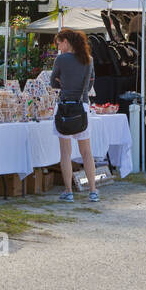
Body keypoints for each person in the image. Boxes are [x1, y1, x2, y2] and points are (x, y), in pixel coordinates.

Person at [51, 29, 98, 202]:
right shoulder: (89, 59)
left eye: (59, 43)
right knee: (86, 152)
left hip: (64, 106)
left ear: (66, 42)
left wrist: (63, 82)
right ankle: (92, 190)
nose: (59, 47)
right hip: (82, 106)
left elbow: (52, 81)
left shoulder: (61, 59)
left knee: (65, 152)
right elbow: (91, 81)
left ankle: (68, 190)